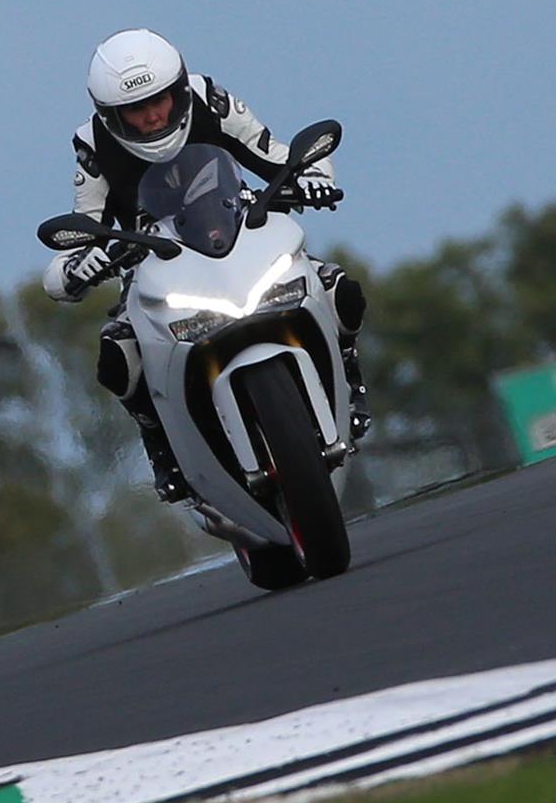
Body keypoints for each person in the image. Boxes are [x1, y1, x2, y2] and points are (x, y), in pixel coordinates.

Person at [41, 28, 370, 501]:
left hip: (240, 233)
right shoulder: (94, 147)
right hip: (153, 263)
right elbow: (72, 246)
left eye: (163, 100)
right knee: (119, 353)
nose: (154, 115)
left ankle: (350, 379)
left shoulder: (212, 102)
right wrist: (78, 269)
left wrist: (313, 177)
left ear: (179, 89)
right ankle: (160, 447)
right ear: (111, 116)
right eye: (137, 109)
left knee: (336, 287)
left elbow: (275, 155)